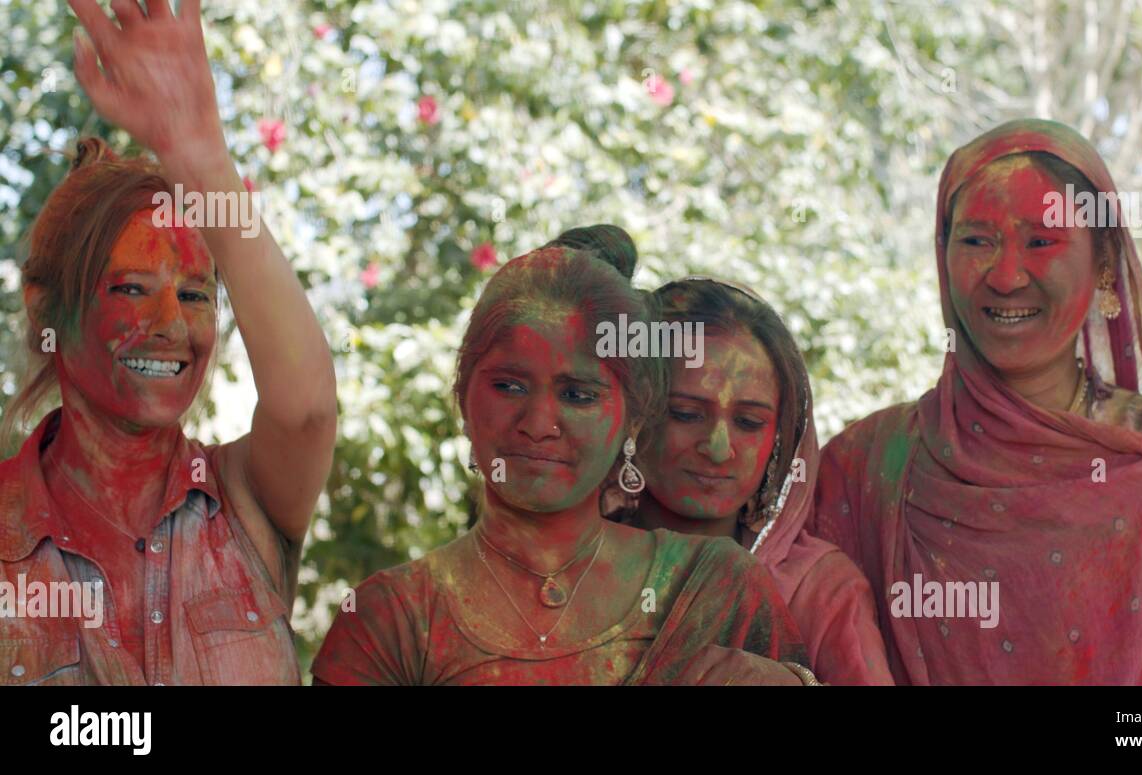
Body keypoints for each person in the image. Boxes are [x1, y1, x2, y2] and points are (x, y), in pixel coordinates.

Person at [811, 119, 1142, 685]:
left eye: (1040, 241)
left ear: (1104, 262)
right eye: (977, 240)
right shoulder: (864, 466)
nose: (1006, 277)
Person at [1, 0, 336, 685]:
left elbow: (306, 409)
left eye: (194, 293)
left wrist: (199, 152)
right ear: (47, 309)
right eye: (130, 288)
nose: (174, 324)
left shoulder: (247, 503)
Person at [311, 235, 811, 685]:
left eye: (578, 394)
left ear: (634, 418)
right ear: (464, 398)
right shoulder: (392, 618)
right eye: (509, 386)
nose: (539, 422)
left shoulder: (716, 586)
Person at [620, 274, 892, 685]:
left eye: (749, 422)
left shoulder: (819, 590)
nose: (717, 447)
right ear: (633, 411)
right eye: (686, 413)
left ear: (780, 437)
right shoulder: (566, 553)